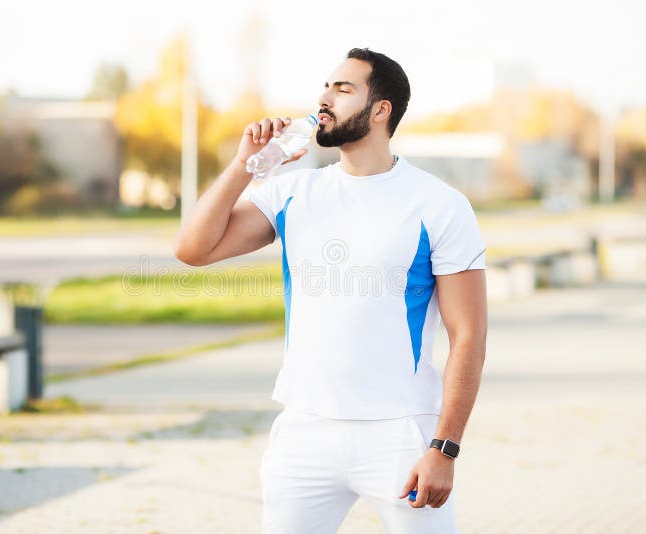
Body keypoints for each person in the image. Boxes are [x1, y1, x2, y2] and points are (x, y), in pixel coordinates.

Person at [174, 47, 487, 533]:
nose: (325, 98)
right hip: (304, 432)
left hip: (401, 434)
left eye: (343, 89)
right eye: (326, 86)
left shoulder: (439, 204)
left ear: (380, 110)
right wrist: (245, 165)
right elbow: (193, 249)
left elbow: (468, 336)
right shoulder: (292, 192)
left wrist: (444, 448)